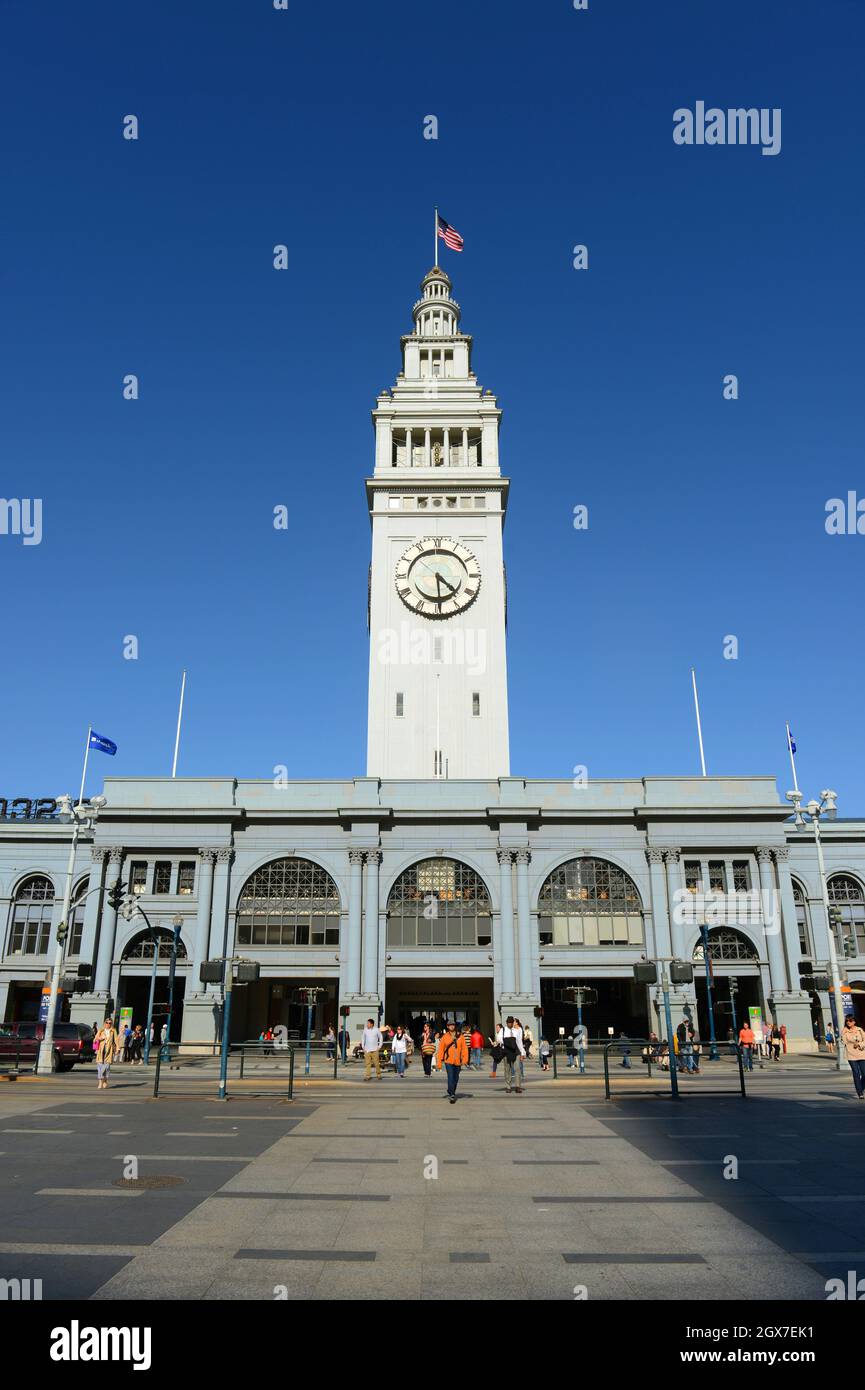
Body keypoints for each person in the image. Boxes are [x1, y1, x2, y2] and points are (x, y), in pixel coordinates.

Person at [437, 1019, 469, 1103]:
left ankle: (450, 1090)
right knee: (450, 1077)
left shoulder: (460, 1036)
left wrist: (465, 1059)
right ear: (447, 1027)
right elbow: (440, 1050)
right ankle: (452, 1094)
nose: (452, 1026)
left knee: (456, 1078)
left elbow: (464, 1048)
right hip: (448, 1061)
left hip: (458, 1061)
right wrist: (439, 1062)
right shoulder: (445, 1037)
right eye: (450, 1025)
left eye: (453, 1025)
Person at [842, 1015, 865, 1099]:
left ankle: (861, 1088)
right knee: (856, 1073)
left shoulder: (859, 1030)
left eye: (850, 1020)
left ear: (854, 1021)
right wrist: (844, 1032)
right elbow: (844, 1041)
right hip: (851, 1054)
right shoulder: (845, 1031)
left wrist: (859, 1044)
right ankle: (860, 1093)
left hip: (862, 1054)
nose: (848, 1022)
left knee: (864, 1073)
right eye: (847, 1021)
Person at [501, 1016, 525, 1094]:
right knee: (507, 1069)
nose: (510, 1024)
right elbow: (499, 1039)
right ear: (506, 1023)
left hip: (516, 1051)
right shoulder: (503, 1030)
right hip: (507, 1052)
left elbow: (519, 1042)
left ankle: (518, 1086)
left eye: (511, 1022)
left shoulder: (516, 1030)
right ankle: (508, 1086)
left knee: (517, 1068)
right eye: (508, 1023)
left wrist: (522, 1052)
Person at [95, 1018, 118, 1091]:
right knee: (100, 1068)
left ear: (112, 1024)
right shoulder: (101, 1030)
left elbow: (116, 1040)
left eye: (110, 1023)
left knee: (107, 1067)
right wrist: (101, 1038)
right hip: (100, 1051)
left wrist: (118, 1048)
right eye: (107, 1022)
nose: (108, 1024)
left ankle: (105, 1080)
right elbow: (95, 1039)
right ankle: (100, 1083)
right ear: (104, 1023)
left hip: (109, 1050)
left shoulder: (113, 1030)